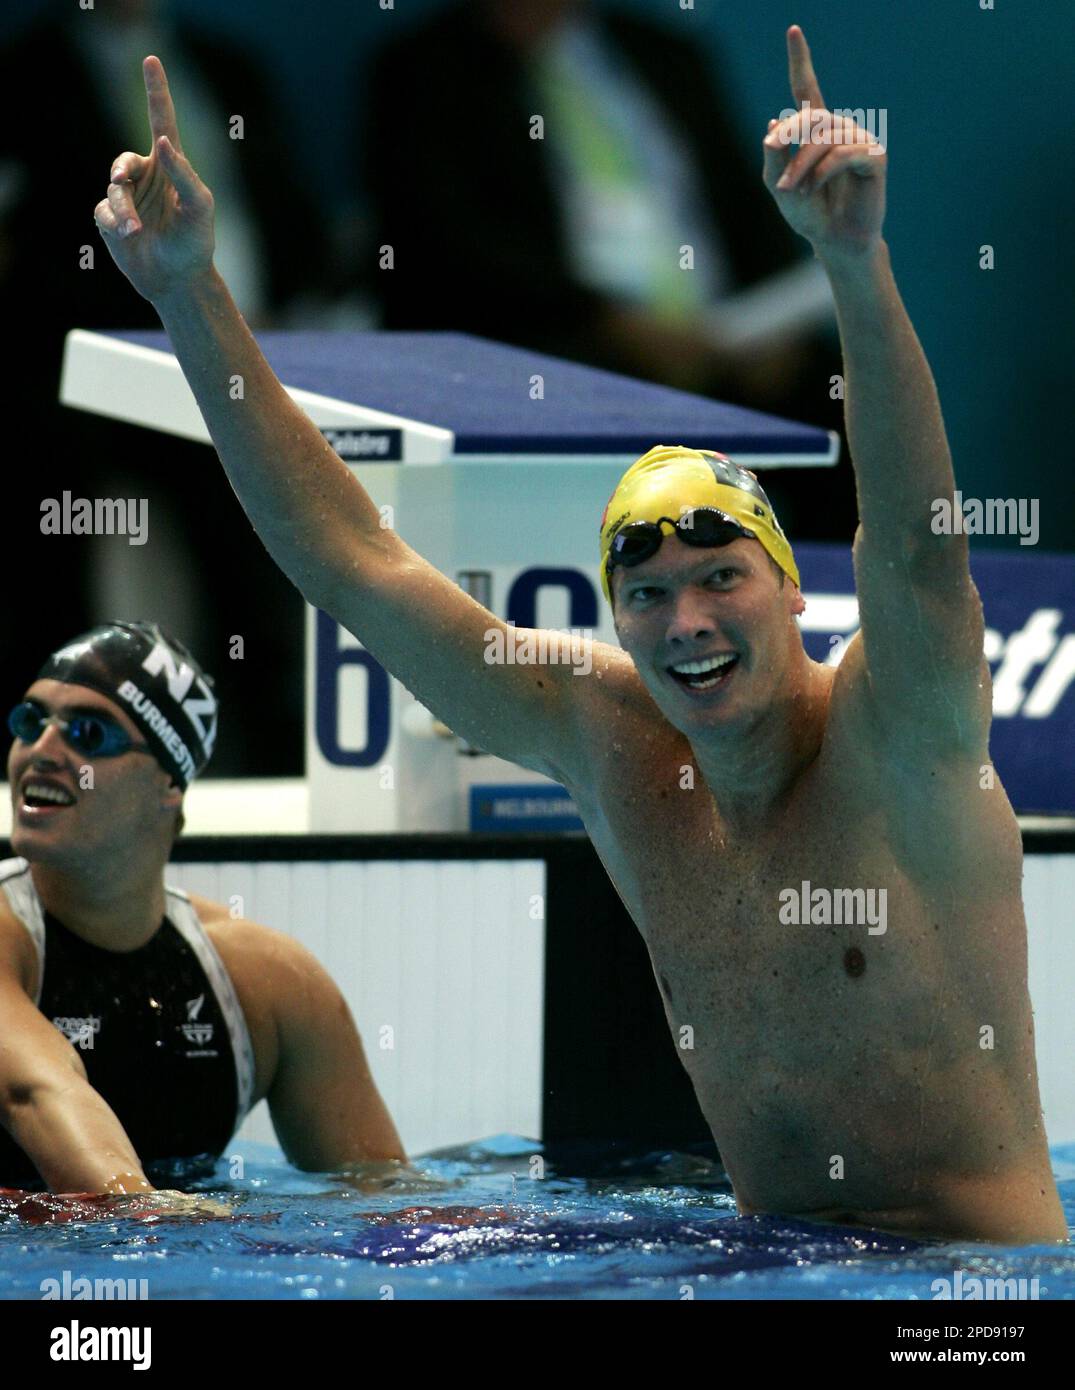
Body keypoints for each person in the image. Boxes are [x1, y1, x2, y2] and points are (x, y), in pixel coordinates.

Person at [92, 28, 1065, 1243]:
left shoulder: (901, 731)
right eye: (647, 595)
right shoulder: (616, 744)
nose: (687, 623)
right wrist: (191, 293)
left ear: (797, 592)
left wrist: (852, 266)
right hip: (763, 1269)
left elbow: (918, 549)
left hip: (960, 1294)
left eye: (721, 578)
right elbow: (353, 562)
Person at [0, 622, 403, 1196]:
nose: (41, 751)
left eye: (89, 733)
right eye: (31, 722)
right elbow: (34, 1090)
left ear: (169, 783)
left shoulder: (271, 987)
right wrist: (149, 1214)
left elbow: (383, 1198)